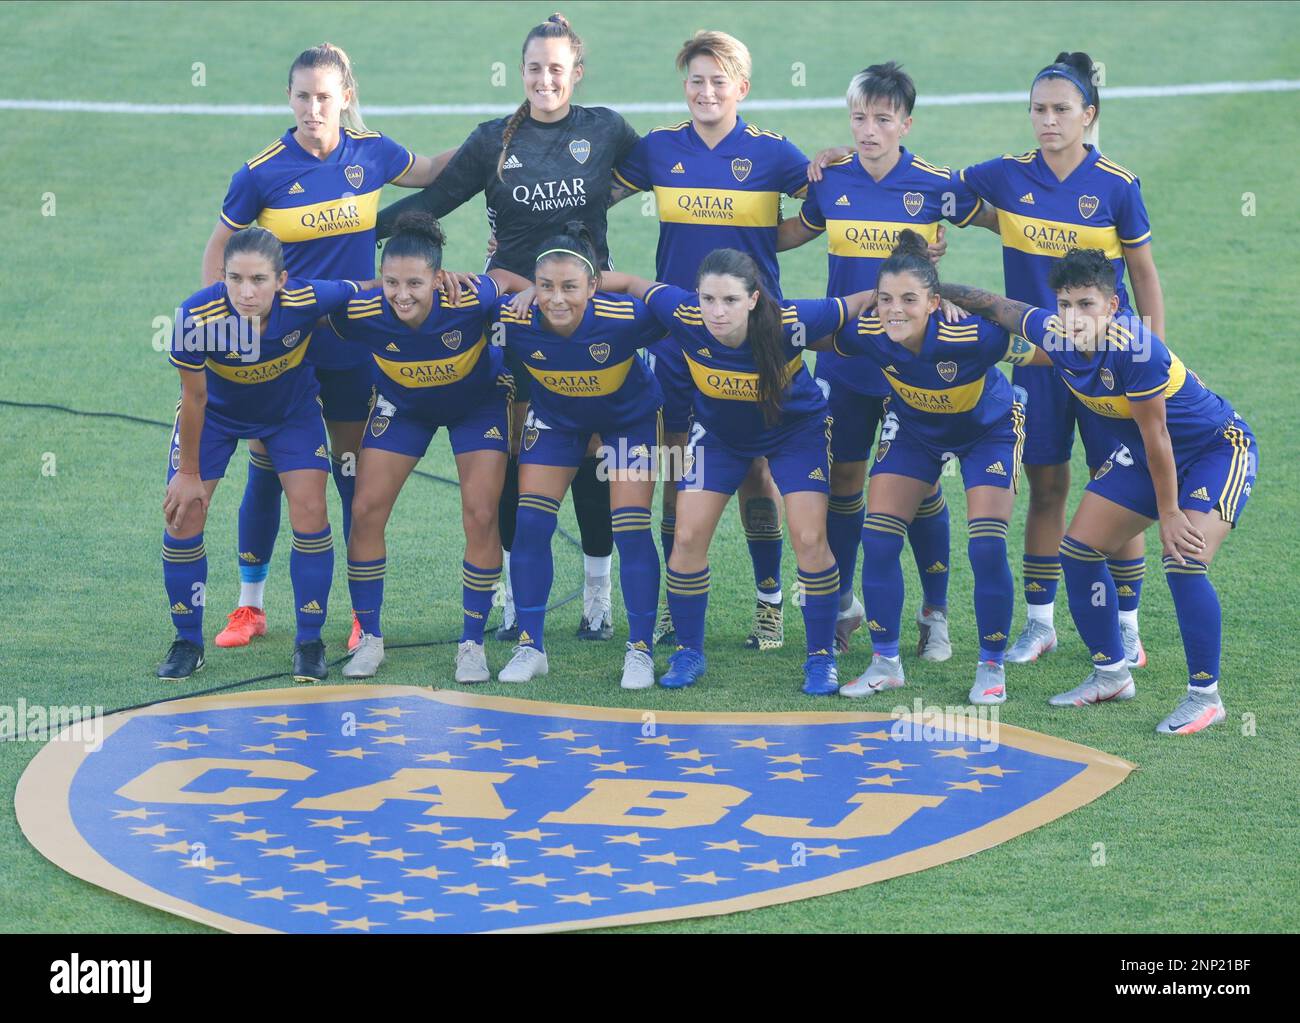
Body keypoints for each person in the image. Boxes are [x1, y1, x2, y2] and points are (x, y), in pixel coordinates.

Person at [377, 13, 640, 644]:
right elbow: (430, 203)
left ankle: (597, 594)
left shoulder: (605, 129)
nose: (545, 79)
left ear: (577, 72)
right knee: (517, 452)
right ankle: (515, 600)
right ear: (521, 72)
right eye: (534, 68)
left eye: (557, 68)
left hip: (584, 315)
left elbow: (670, 168)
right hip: (514, 319)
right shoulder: (492, 139)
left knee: (589, 453)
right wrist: (343, 226)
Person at [938, 249, 1256, 733]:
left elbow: (1160, 438)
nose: (1073, 316)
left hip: (1215, 450)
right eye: (1064, 304)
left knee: (1184, 562)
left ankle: (1205, 696)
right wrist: (933, 293)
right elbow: (996, 305)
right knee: (1080, 551)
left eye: (1086, 304)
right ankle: (1110, 673)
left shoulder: (1136, 349)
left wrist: (1170, 513)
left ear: (1112, 305)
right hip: (1152, 457)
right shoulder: (1055, 332)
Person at [202, 42, 444, 655]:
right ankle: (250, 606)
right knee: (268, 469)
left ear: (346, 98)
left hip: (353, 347)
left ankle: (362, 616)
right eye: (304, 96)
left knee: (349, 469)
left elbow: (436, 170)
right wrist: (224, 325)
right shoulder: (262, 172)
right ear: (290, 98)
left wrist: (501, 142)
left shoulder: (374, 153)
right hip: (282, 351)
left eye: (325, 97)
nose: (314, 108)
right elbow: (220, 253)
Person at [610, 30, 823, 654]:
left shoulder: (772, 152)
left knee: (758, 472)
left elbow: (830, 205)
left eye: (718, 81)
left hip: (751, 341)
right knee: (681, 463)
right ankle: (680, 606)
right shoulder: (658, 149)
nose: (707, 91)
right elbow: (600, 195)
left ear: (742, 89)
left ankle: (768, 602)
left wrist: (766, 241)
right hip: (680, 336)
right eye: (697, 81)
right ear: (686, 87)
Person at [778, 60, 998, 660]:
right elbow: (790, 233)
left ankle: (935, 613)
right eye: (858, 118)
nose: (868, 130)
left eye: (881, 119)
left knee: (919, 488)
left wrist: (949, 295)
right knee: (844, 482)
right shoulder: (831, 180)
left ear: (906, 122)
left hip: (913, 365)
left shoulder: (934, 184)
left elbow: (1001, 220)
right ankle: (845, 603)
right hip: (848, 359)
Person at [960, 51, 1165, 669]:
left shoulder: (1117, 185)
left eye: (1061, 110)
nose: (1048, 120)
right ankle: (1041, 623)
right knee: (1046, 488)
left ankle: (1127, 628)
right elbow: (939, 188)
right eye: (1039, 109)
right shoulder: (1005, 174)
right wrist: (955, 225)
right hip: (1038, 365)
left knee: (1119, 491)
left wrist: (1149, 347)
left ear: (1088, 115)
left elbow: (1144, 273)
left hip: (1109, 367)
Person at [600, 250, 877, 695]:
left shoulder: (791, 320)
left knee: (809, 538)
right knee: (687, 537)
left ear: (752, 299)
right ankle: (689, 651)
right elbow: (633, 283)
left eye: (729, 300)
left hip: (795, 434)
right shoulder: (683, 313)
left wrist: (932, 298)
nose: (716, 311)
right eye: (708, 299)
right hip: (719, 436)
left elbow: (859, 301)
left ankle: (821, 657)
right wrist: (562, 285)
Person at [815, 231, 1029, 705]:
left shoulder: (973, 334)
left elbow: (1038, 341)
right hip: (915, 432)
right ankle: (885, 663)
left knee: (987, 547)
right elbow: (806, 327)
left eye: (910, 299)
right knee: (878, 536)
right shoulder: (868, 331)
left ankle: (991, 667)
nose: (895, 310)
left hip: (987, 432)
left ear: (933, 302)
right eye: (886, 298)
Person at [159, 228, 365, 683]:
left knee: (311, 509)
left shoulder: (309, 298)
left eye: (258, 280)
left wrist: (429, 282)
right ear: (222, 276)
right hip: (216, 416)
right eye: (235, 279)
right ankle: (187, 641)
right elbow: (193, 400)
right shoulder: (196, 316)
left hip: (289, 414)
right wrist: (188, 473)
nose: (246, 292)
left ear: (282, 280)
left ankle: (309, 641)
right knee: (184, 514)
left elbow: (366, 289)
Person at [326, 212, 518, 683]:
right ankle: (370, 638)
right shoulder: (360, 308)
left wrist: (521, 287)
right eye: (391, 282)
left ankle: (472, 644)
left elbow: (511, 279)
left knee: (480, 513)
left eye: (415, 282)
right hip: (403, 409)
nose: (402, 294)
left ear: (438, 278)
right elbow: (314, 313)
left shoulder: (468, 296)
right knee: (367, 508)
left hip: (477, 406)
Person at [487, 223, 666, 689]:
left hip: (628, 423)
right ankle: (531, 645)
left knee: (630, 528)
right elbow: (475, 289)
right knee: (530, 524)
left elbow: (688, 310)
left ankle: (640, 650)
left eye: (570, 287)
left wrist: (638, 283)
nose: (557, 298)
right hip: (556, 422)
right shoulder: (514, 317)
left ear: (593, 285)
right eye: (545, 286)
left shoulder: (627, 316)